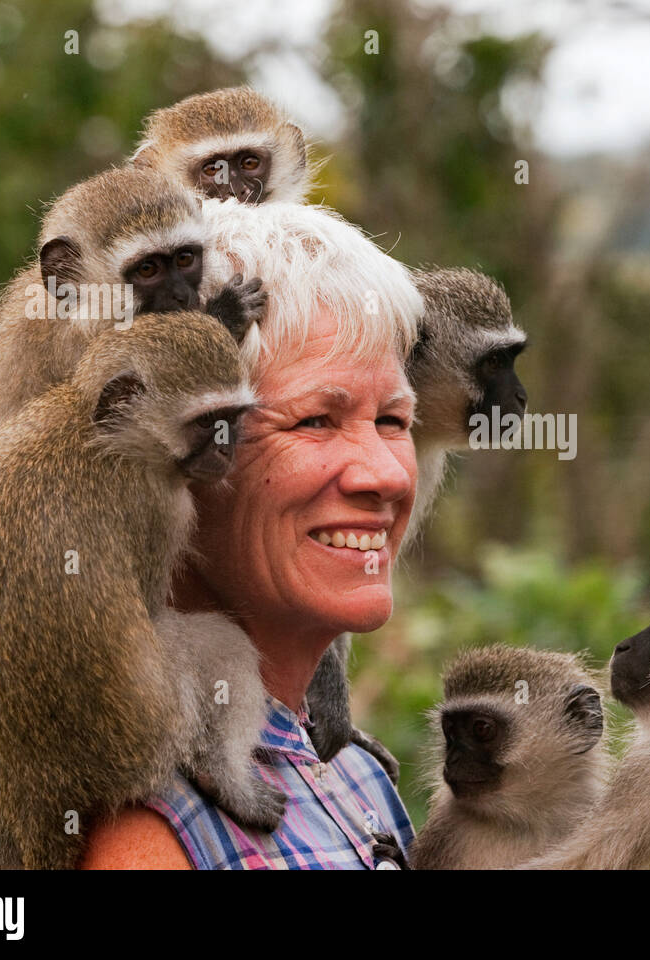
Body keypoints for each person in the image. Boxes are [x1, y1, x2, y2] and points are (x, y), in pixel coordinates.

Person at [80, 198, 424, 869]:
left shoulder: (356, 775)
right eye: (314, 421)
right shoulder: (148, 830)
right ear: (168, 458)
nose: (384, 475)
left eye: (393, 421)